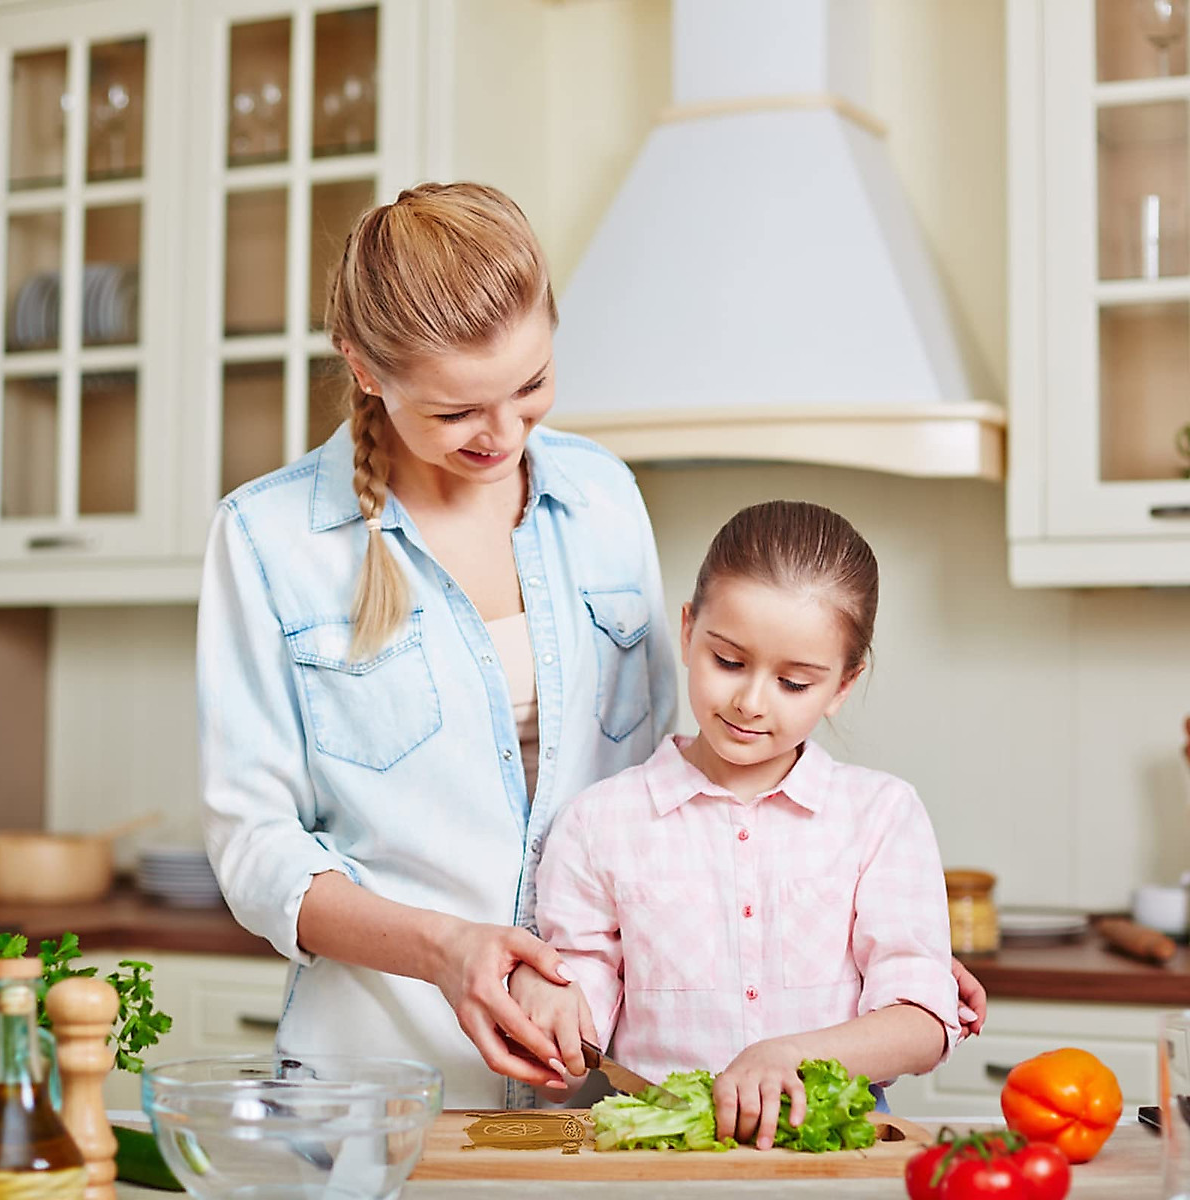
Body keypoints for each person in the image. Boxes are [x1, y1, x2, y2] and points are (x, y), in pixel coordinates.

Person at [196, 181, 985, 1110]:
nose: (503, 435)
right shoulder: (269, 539)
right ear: (366, 369)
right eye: (457, 412)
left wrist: (870, 994)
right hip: (382, 1080)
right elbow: (256, 851)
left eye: (530, 386)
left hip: (602, 1093)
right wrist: (447, 951)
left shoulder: (600, 497)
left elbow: (670, 783)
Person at [510, 501, 964, 1148]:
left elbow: (922, 1021)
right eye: (728, 662)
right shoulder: (598, 824)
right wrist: (544, 1019)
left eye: (794, 682)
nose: (751, 702)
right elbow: (564, 1060)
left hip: (834, 1156)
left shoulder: (881, 816)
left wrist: (790, 1057)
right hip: (658, 1160)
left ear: (842, 684)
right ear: (690, 631)